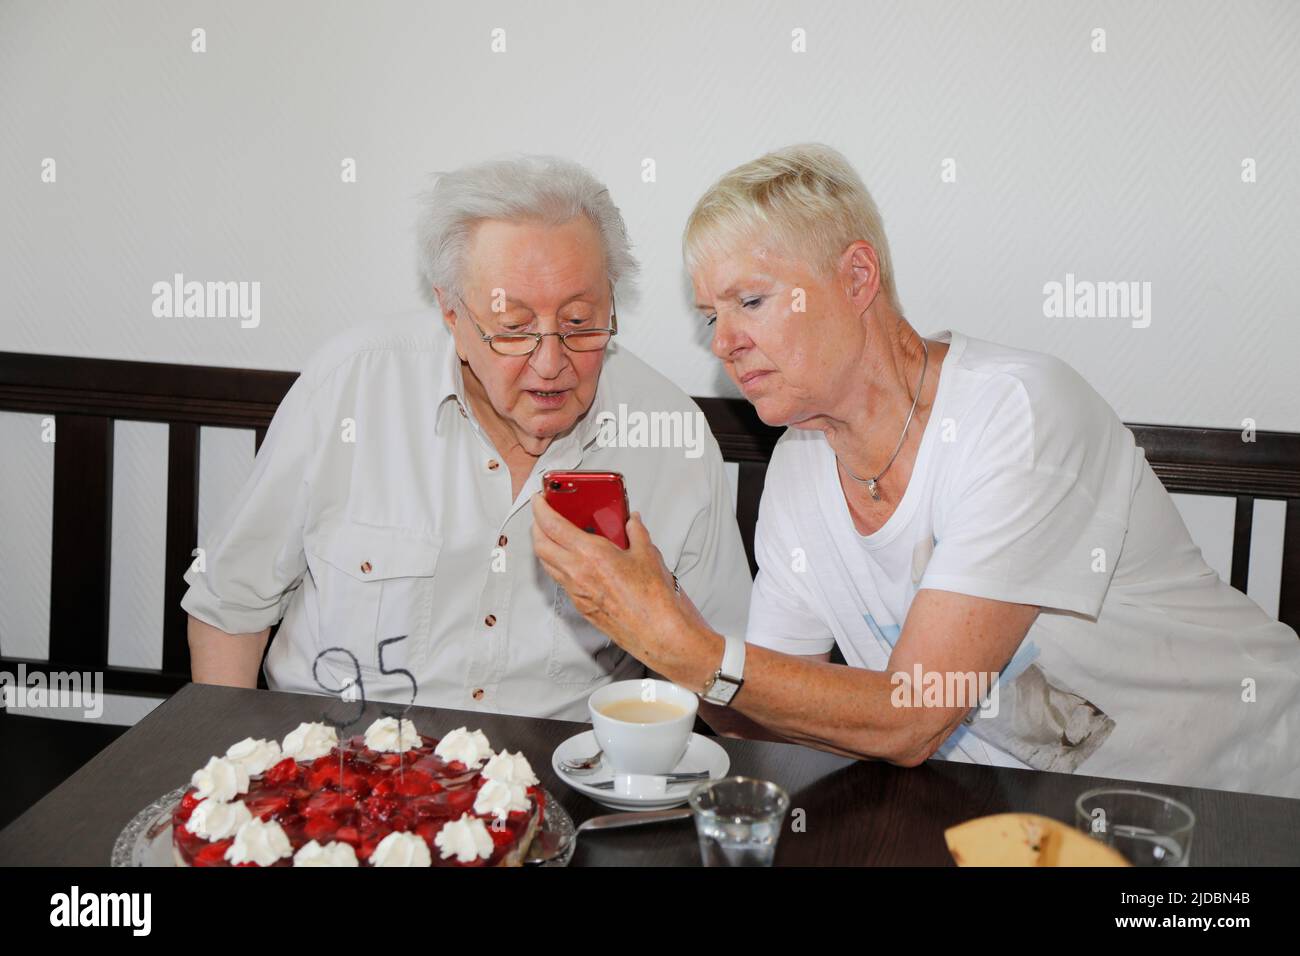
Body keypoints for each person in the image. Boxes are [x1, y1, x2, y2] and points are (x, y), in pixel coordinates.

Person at [531, 142, 1300, 797]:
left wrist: (681, 646)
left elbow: (911, 716)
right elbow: (773, 703)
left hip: (1242, 801)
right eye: (710, 317)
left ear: (858, 278)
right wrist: (665, 613)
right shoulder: (803, 464)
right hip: (1022, 819)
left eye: (751, 301)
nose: (722, 342)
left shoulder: (1016, 413)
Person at [182, 154, 752, 721]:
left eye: (580, 322)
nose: (551, 363)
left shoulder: (669, 436)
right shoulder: (350, 387)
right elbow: (228, 605)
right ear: (451, 313)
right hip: (342, 771)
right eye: (514, 329)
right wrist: (229, 777)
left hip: (563, 780)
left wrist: (665, 621)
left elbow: (729, 677)